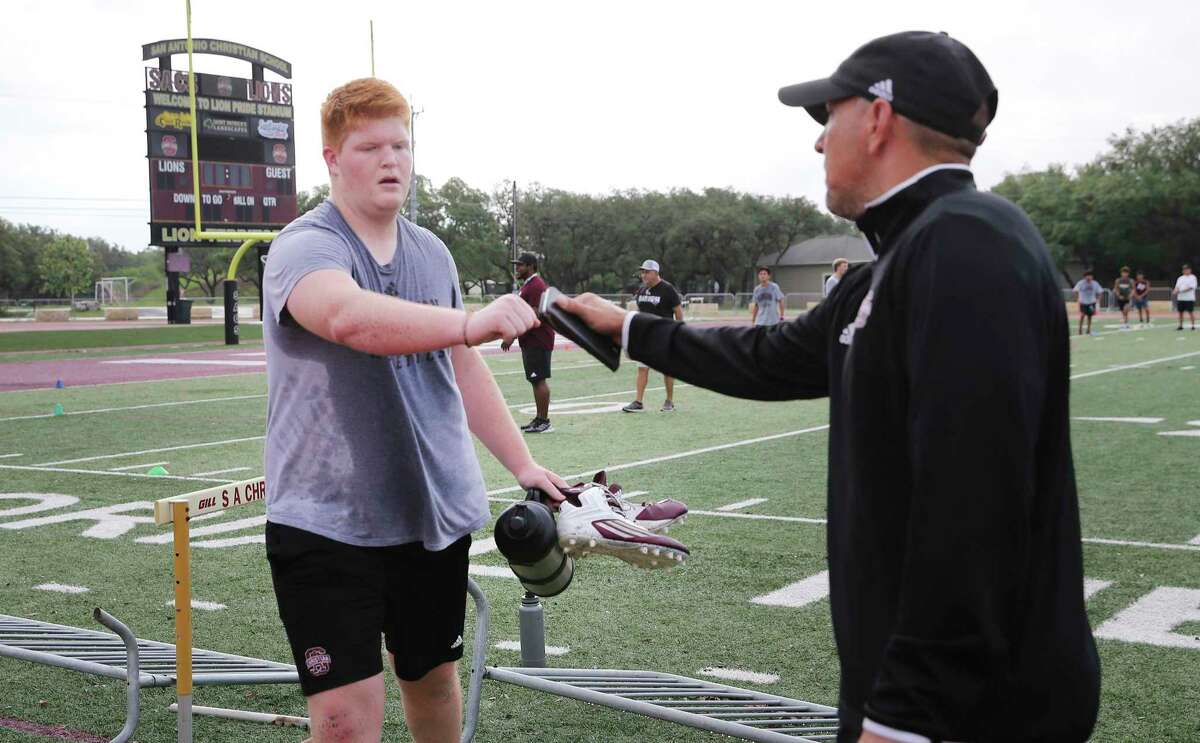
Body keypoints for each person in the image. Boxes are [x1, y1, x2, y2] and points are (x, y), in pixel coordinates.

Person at [559, 31, 1099, 743]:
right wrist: (624, 328)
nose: (818, 145)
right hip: (916, 701)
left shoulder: (969, 243)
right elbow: (770, 357)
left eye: (827, 119)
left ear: (877, 119)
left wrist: (904, 717)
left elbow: (973, 507)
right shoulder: (899, 262)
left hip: (971, 713)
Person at [261, 78, 567, 743]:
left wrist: (522, 460)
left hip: (427, 516)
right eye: (370, 146)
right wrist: (466, 321)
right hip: (325, 521)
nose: (391, 159)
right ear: (333, 159)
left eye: (401, 144)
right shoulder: (303, 247)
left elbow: (460, 366)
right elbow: (347, 318)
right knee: (344, 722)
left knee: (430, 683)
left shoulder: (432, 253)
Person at [501, 252, 556, 433]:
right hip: (531, 340)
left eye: (520, 265)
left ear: (531, 266)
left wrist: (512, 334)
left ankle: (544, 421)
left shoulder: (536, 286)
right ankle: (539, 418)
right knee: (534, 379)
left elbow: (533, 313)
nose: (517, 268)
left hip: (538, 340)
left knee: (538, 379)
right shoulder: (529, 285)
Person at [623, 259, 684, 412]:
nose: (643, 275)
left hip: (664, 335)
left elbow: (678, 312)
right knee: (642, 368)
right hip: (645, 336)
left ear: (656, 273)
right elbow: (640, 311)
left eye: (646, 272)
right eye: (642, 272)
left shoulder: (668, 289)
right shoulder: (642, 290)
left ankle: (669, 401)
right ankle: (638, 402)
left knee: (667, 369)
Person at [1073, 269, 1102, 336]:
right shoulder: (1081, 283)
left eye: (1090, 276)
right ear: (1084, 277)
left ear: (1092, 277)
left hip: (1091, 302)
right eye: (1087, 276)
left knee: (1090, 316)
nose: (1088, 277)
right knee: (1082, 315)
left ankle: (1088, 330)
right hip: (1083, 302)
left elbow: (1100, 292)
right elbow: (1075, 290)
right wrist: (1077, 298)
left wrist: (1098, 300)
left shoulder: (1095, 283)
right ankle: (1080, 329)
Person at [1172, 263, 1197, 330]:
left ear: (1190, 270)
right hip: (1181, 298)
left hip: (1189, 298)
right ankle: (1180, 325)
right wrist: (1175, 291)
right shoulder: (1180, 278)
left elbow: (1191, 287)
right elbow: (1177, 287)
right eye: (1184, 269)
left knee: (1190, 312)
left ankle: (1193, 325)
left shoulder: (1193, 277)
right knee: (1180, 312)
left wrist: (1180, 291)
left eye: (1187, 269)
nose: (1185, 270)